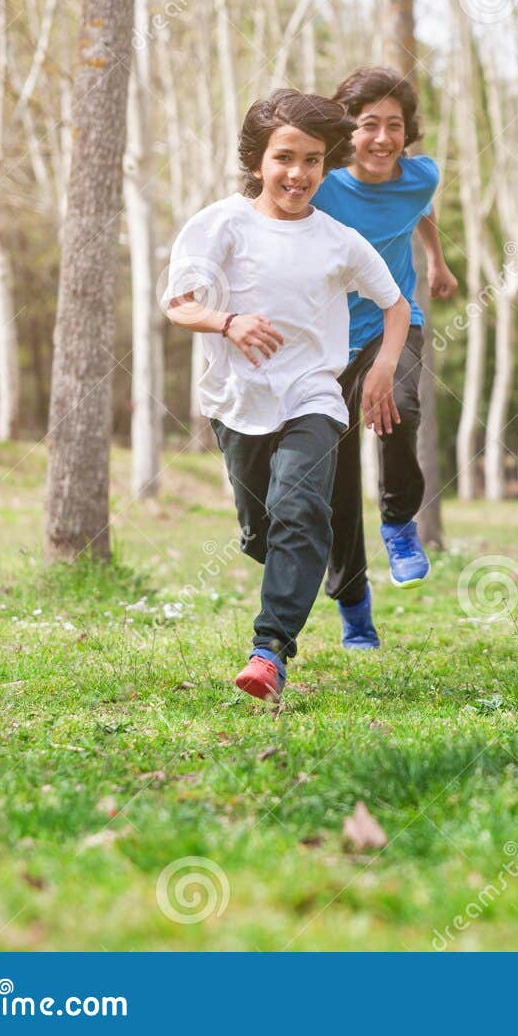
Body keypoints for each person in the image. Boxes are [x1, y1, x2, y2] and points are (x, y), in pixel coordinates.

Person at [163, 89, 410, 701]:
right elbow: (178, 304)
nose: (298, 174)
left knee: (301, 514)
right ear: (257, 162)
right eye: (285, 158)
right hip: (236, 400)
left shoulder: (338, 239)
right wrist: (227, 322)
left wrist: (381, 369)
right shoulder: (220, 223)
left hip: (313, 396)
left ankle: (269, 650)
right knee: (262, 531)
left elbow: (396, 305)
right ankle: (290, 561)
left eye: (312, 161)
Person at [313, 67, 458, 650]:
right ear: (346, 132)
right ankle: (354, 610)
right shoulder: (321, 184)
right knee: (336, 481)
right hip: (323, 342)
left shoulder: (421, 175)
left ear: (408, 132)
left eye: (393, 126)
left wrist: (437, 263)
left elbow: (418, 209)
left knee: (399, 405)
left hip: (394, 321)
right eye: (368, 124)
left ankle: (399, 523)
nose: (381, 138)